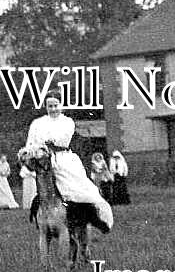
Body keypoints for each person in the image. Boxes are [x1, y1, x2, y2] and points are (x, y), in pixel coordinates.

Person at [24, 93, 113, 232]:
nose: (53, 109)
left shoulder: (67, 122)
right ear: (45, 106)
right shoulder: (37, 123)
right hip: (43, 160)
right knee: (43, 189)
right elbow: (30, 142)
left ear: (61, 106)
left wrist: (44, 146)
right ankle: (43, 219)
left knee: (75, 189)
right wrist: (30, 152)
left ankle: (84, 217)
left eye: (56, 105)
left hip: (61, 158)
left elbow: (58, 139)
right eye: (50, 106)